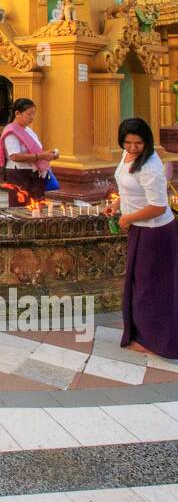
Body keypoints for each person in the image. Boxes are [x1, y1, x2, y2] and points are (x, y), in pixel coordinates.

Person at [106, 117, 178, 360]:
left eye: (138, 143)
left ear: (146, 141)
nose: (133, 147)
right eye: (128, 142)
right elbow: (126, 185)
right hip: (139, 227)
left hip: (155, 231)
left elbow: (158, 206)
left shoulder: (150, 167)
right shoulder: (127, 156)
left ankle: (156, 340)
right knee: (137, 284)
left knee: (151, 287)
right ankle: (141, 334)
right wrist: (117, 205)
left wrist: (128, 218)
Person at [0, 97, 58, 206]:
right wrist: (41, 155)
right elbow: (15, 156)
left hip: (34, 173)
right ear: (17, 113)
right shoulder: (11, 131)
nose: (32, 118)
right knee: (21, 206)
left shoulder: (28, 130)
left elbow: (35, 150)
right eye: (29, 114)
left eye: (33, 114)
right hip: (20, 173)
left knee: (36, 205)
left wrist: (48, 155)